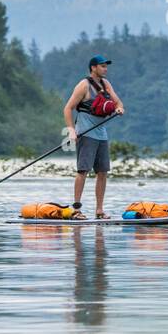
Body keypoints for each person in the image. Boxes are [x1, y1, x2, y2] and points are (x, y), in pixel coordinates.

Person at [63, 56, 125, 220]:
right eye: (102, 66)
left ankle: (99, 210)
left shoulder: (106, 84)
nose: (106, 69)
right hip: (86, 132)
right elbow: (68, 108)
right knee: (83, 170)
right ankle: (76, 210)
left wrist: (119, 109)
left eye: (106, 66)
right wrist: (71, 130)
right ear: (93, 68)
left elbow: (119, 103)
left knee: (102, 172)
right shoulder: (83, 85)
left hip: (101, 134)